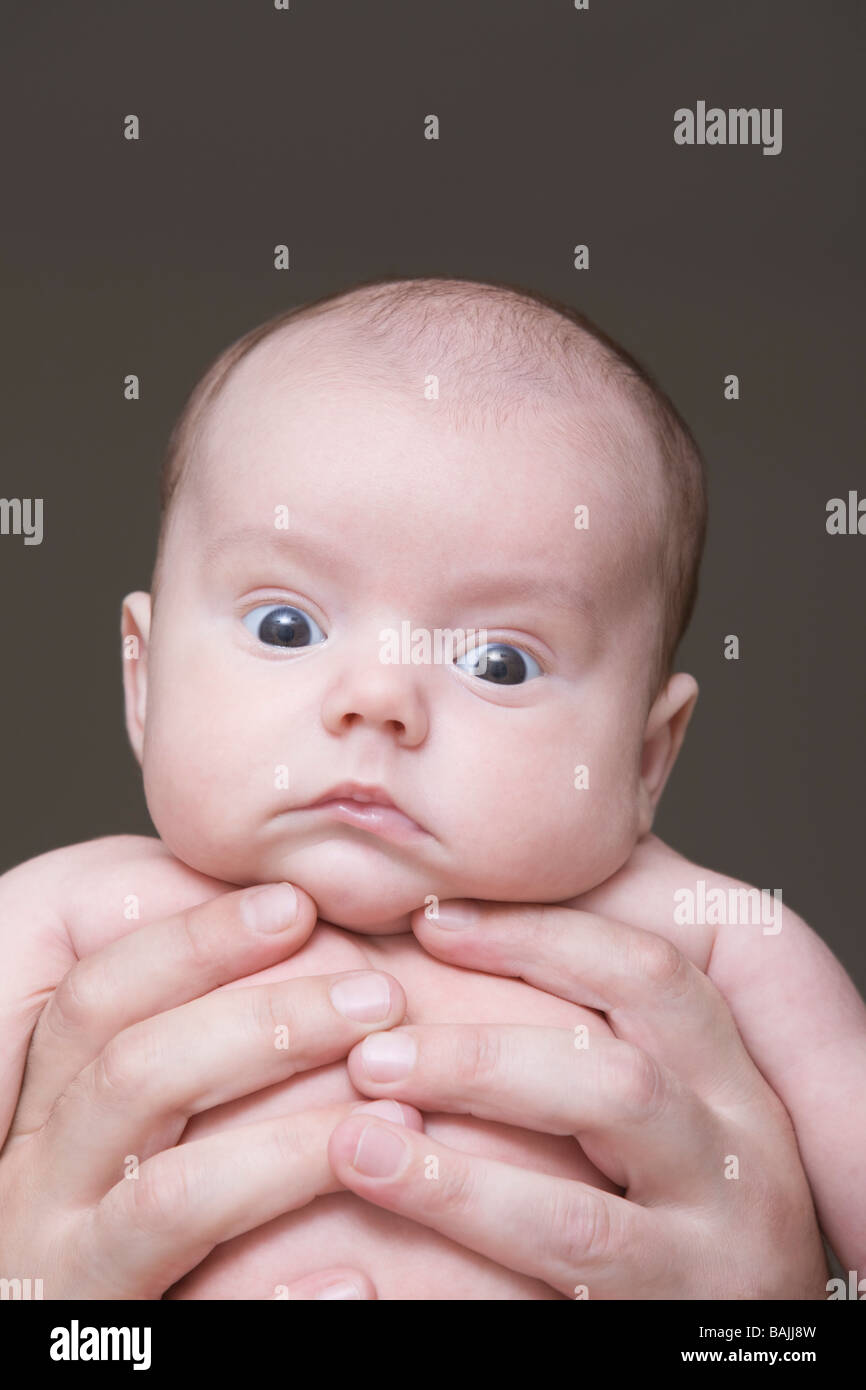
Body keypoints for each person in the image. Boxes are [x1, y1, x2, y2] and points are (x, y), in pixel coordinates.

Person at [1, 277, 862, 1298]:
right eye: (288, 626)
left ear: (643, 757)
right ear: (143, 680)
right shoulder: (70, 914)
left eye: (498, 661)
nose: (377, 698)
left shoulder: (709, 935)